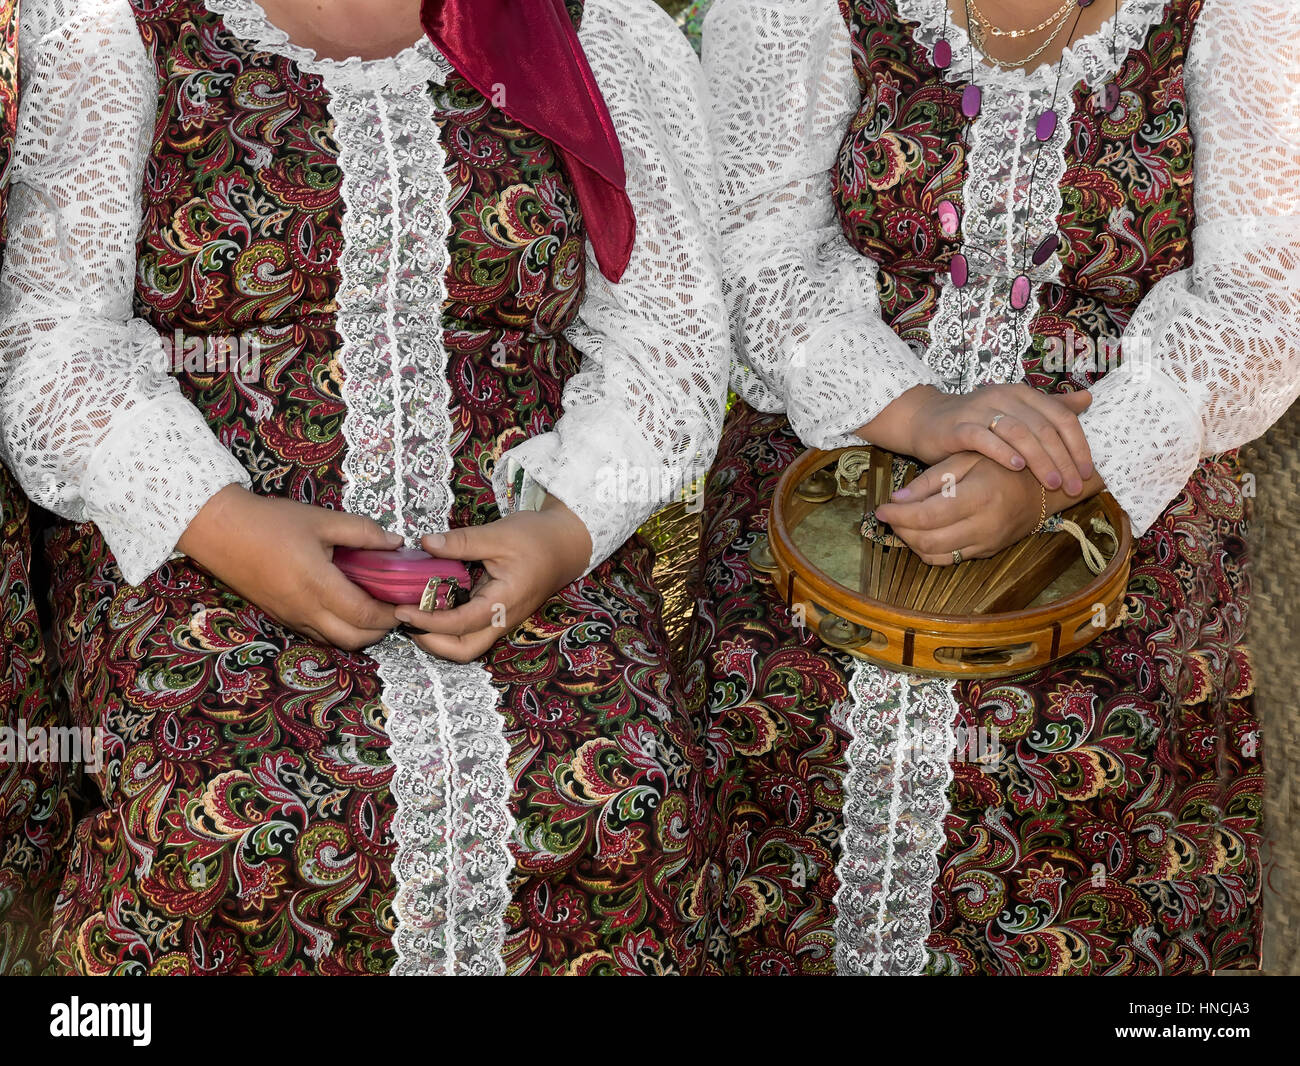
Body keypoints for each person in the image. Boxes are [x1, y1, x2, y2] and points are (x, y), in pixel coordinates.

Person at [0, 0, 728, 975]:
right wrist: (229, 525)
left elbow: (666, 343)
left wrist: (559, 535)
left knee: (630, 796)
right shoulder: (120, 19)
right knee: (221, 819)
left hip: (530, 556)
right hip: (198, 545)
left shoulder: (581, 23)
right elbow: (57, 344)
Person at [691, 0, 1300, 974]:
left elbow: (1265, 295)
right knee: (774, 759)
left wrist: (1057, 469)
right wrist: (915, 411)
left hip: (1117, 517)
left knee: (1081, 806)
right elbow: (752, 238)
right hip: (829, 477)